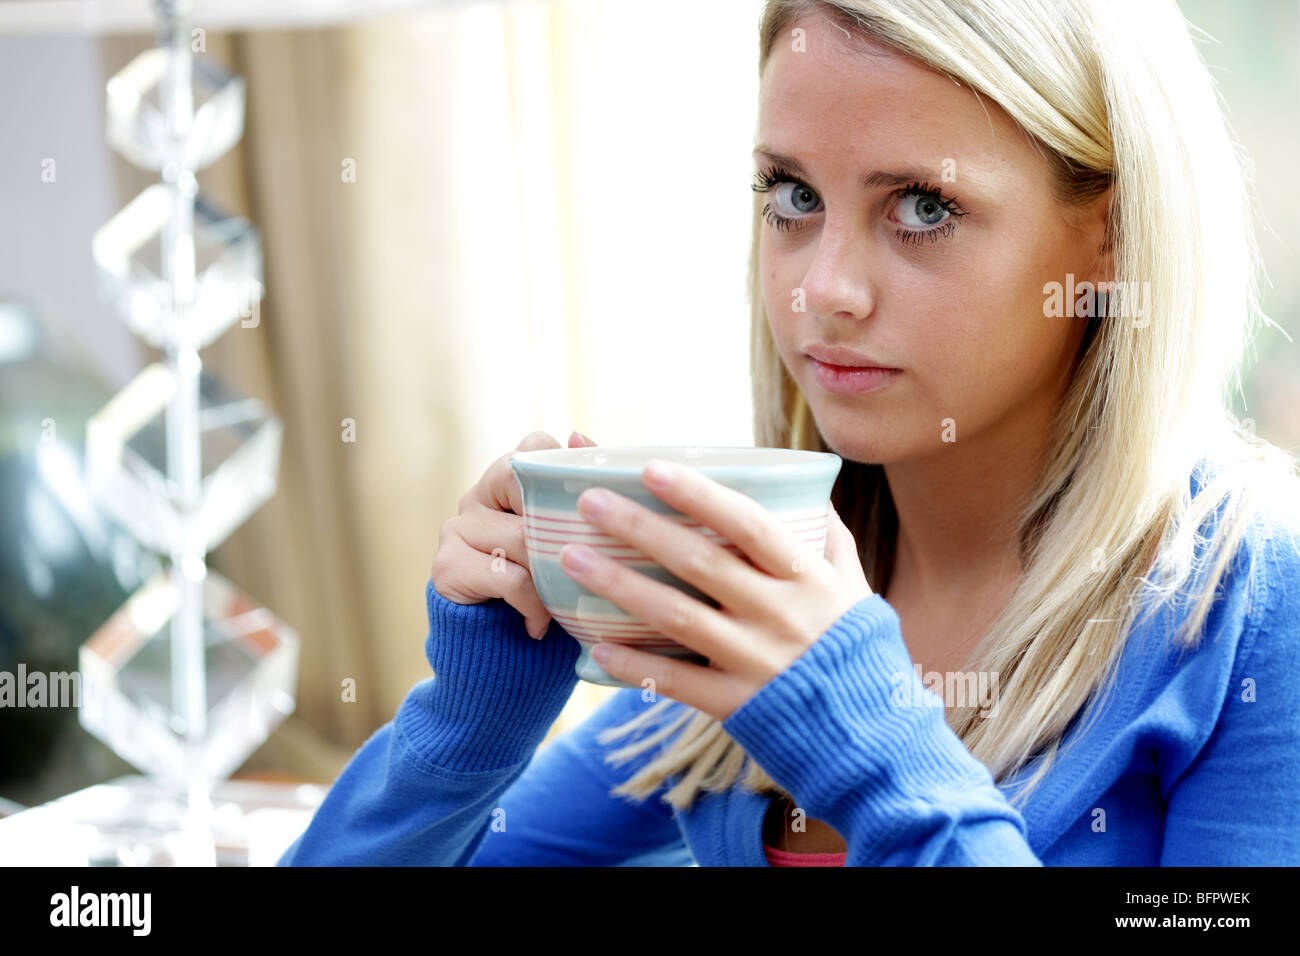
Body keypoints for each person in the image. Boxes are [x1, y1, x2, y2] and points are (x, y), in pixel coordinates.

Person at [278, 0, 1300, 866]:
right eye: (793, 195)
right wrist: (469, 721)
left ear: (1108, 238)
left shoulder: (1254, 610)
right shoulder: (765, 591)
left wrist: (865, 737)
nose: (821, 290)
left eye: (923, 207)